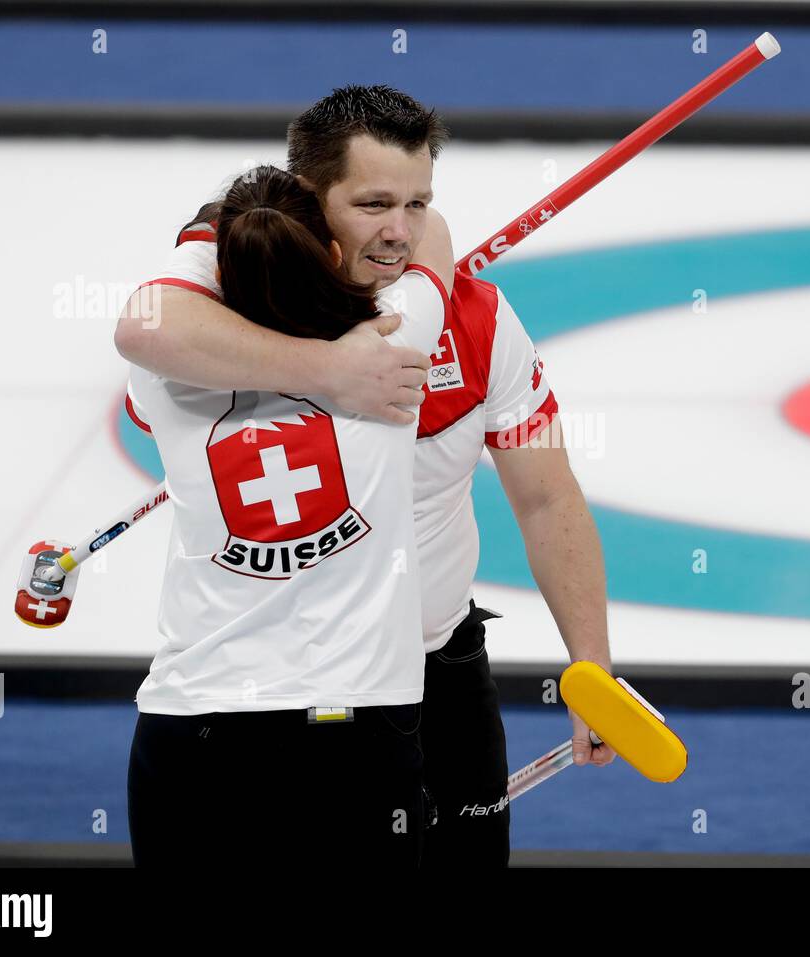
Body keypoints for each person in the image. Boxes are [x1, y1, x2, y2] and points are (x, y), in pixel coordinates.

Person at [116, 85, 614, 868]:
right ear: (306, 205)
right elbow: (148, 325)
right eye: (375, 202)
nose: (402, 229)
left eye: (418, 203)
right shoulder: (382, 328)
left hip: (429, 669)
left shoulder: (477, 322)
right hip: (358, 713)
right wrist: (338, 371)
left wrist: (591, 662)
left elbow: (549, 499)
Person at [123, 163, 454, 869]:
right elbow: (430, 240)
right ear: (333, 253)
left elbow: (151, 317)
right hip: (355, 731)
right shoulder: (399, 337)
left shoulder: (159, 376)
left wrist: (228, 224)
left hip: (192, 727)